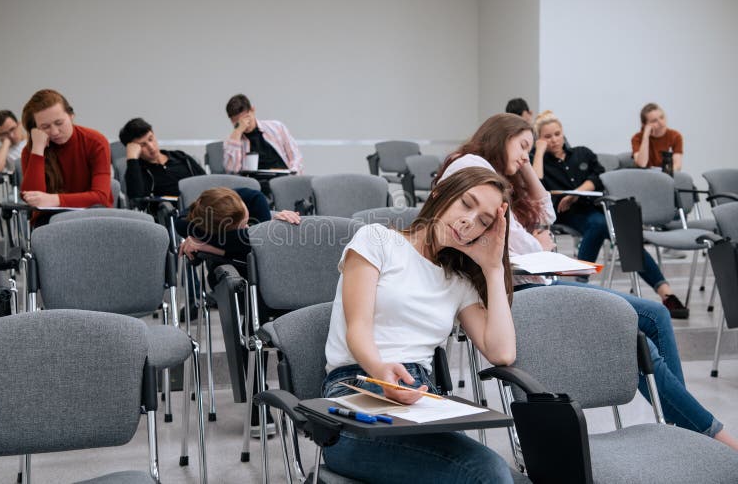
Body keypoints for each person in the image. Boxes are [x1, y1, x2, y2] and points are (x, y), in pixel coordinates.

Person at [436, 113, 738, 451]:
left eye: (528, 149)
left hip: (529, 281)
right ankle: (701, 433)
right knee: (634, 334)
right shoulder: (473, 166)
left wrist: (522, 166)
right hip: (513, 291)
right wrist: (539, 239)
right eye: (521, 146)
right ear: (499, 137)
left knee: (652, 318)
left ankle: (688, 426)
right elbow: (527, 244)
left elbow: (546, 217)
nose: (525, 156)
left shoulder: (494, 173)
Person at [322, 167, 517, 483]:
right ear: (439, 193)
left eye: (483, 221)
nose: (470, 221)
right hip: (356, 394)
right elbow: (356, 328)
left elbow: (502, 353)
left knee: (494, 474)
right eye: (466, 203)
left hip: (420, 397)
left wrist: (493, 268)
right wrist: (380, 370)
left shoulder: (459, 281)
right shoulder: (377, 239)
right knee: (486, 474)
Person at [532, 110, 688, 317]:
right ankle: (664, 293)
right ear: (539, 139)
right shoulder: (539, 161)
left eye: (557, 134)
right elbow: (536, 184)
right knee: (604, 226)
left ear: (563, 133)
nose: (554, 140)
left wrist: (576, 193)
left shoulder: (582, 153)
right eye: (547, 137)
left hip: (594, 207)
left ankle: (663, 293)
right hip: (566, 213)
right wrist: (539, 151)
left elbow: (598, 176)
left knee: (624, 235)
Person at [176, 186, 300, 437]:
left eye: (246, 221)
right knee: (254, 313)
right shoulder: (192, 220)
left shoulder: (251, 198)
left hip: (267, 274)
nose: (245, 225)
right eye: (239, 226)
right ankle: (258, 399)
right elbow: (246, 243)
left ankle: (287, 395)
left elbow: (258, 245)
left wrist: (212, 247)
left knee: (263, 302)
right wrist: (245, 239)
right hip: (233, 279)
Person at [20, 89, 113, 224]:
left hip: (91, 216)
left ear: (71, 115)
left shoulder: (96, 142)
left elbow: (101, 197)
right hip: (51, 220)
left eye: (59, 123)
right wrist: (38, 149)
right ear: (36, 129)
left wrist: (54, 200)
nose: (54, 132)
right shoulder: (32, 150)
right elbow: (34, 201)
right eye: (45, 127)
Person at [118, 117, 205, 200]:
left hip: (198, 209)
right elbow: (136, 200)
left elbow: (207, 183)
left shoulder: (181, 157)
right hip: (165, 213)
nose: (151, 147)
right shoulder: (138, 171)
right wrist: (132, 159)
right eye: (142, 145)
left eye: (150, 139)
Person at [223, 94, 303, 174]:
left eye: (246, 118)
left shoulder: (276, 127)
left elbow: (296, 157)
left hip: (282, 179)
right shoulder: (232, 141)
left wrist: (292, 174)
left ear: (252, 110)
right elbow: (232, 172)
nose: (245, 124)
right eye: (238, 122)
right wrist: (237, 131)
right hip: (255, 182)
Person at [631, 102, 683, 171]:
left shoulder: (675, 136)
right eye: (654, 121)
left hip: (666, 174)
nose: (661, 123)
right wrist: (646, 136)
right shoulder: (637, 138)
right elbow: (642, 164)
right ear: (645, 124)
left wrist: (664, 175)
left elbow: (677, 165)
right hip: (644, 175)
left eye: (662, 117)